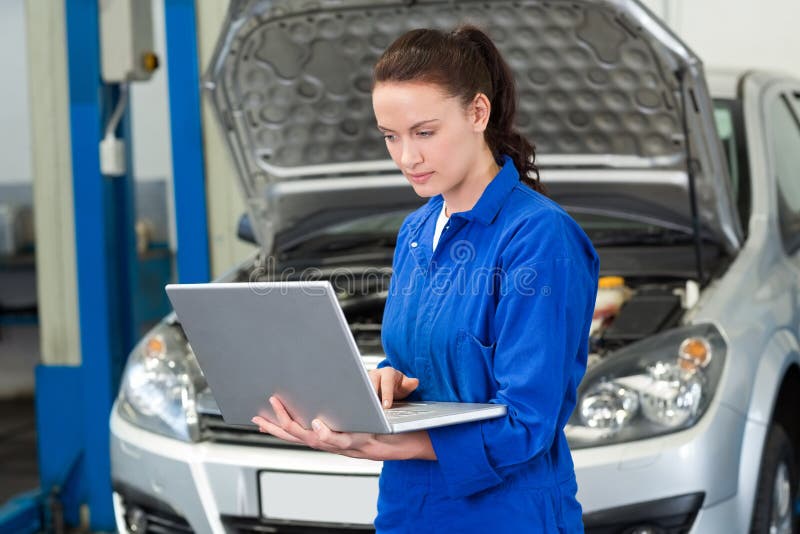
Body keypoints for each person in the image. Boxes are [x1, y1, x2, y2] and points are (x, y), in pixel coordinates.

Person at [251, 25, 599, 533]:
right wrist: (387, 381)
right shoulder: (416, 230)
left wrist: (384, 443)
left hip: (507, 515)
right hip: (407, 508)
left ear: (478, 113)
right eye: (391, 136)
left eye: (424, 132)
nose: (406, 158)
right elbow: (423, 356)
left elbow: (528, 420)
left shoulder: (539, 237)